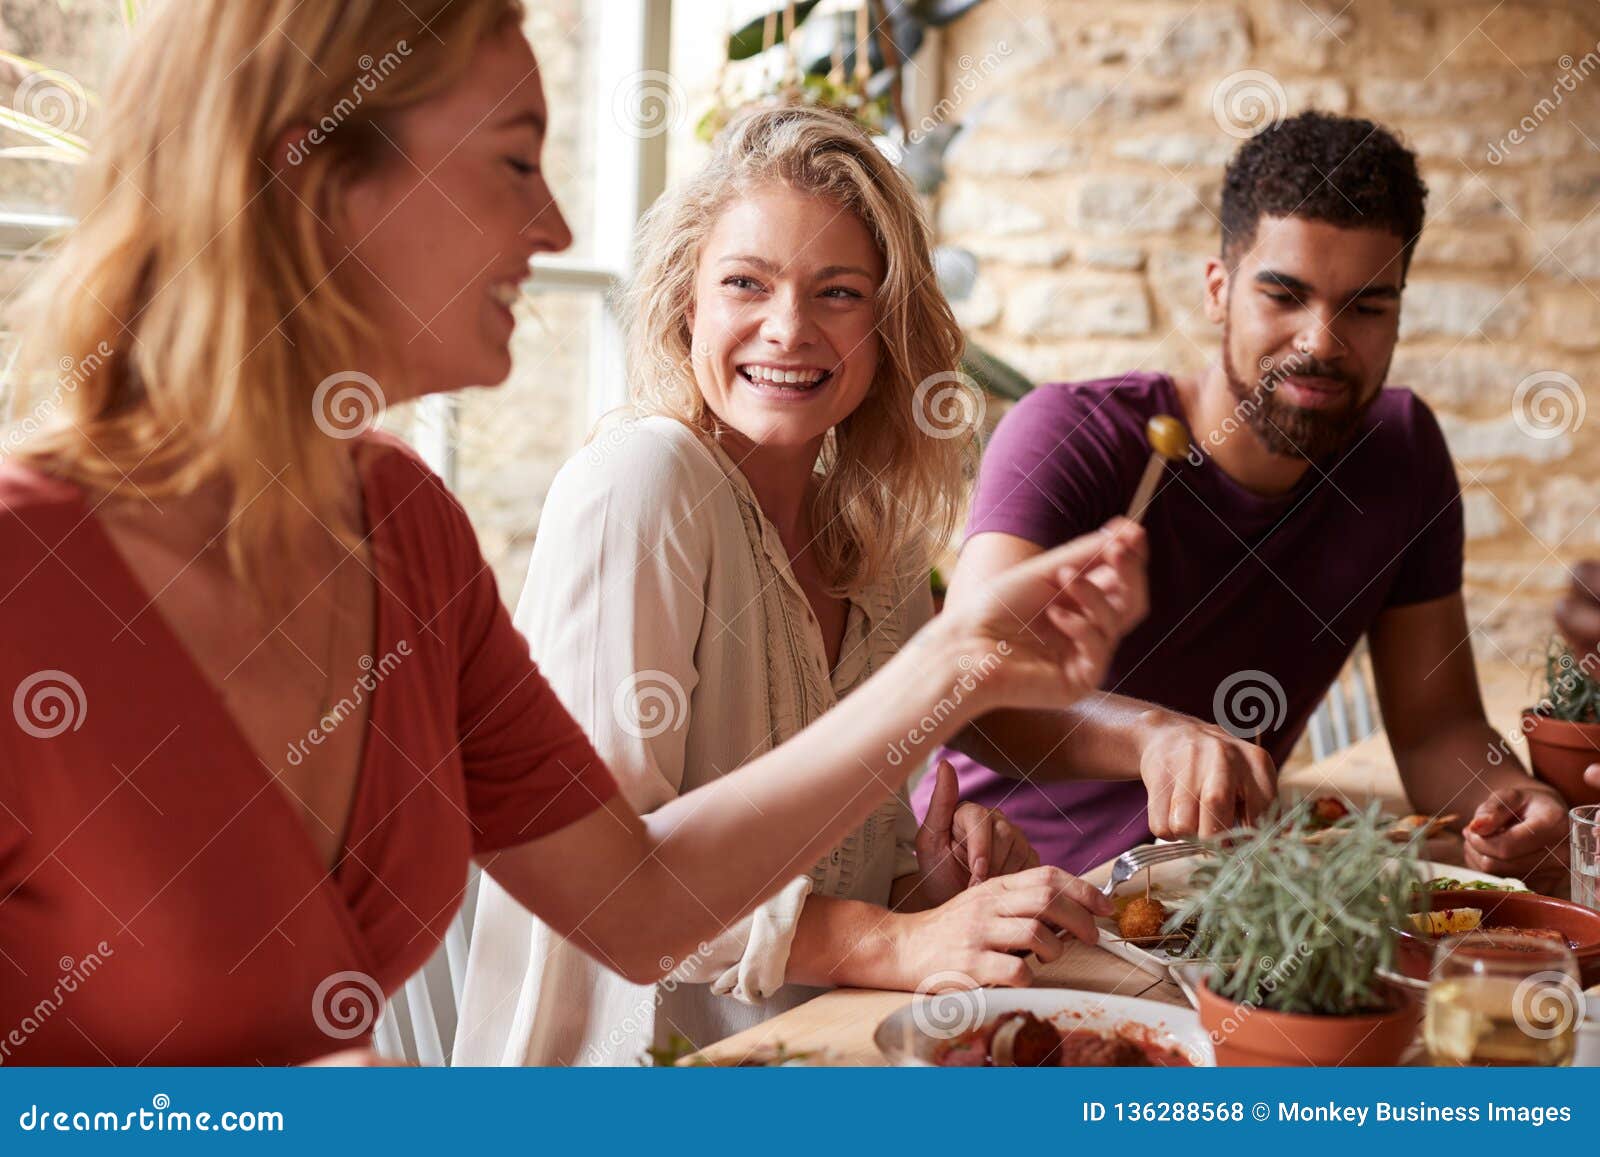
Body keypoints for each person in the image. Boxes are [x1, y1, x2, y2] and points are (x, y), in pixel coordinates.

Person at [0, 0, 1145, 1065]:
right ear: (315, 176)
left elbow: (636, 899)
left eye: (840, 293)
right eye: (513, 161)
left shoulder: (408, 534)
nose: (552, 223)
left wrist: (960, 669)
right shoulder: (27, 570)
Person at [452, 105, 1091, 1066]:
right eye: (745, 282)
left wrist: (926, 888)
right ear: (685, 305)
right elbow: (603, 882)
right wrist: (899, 939)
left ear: (886, 334)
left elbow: (822, 879)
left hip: (826, 1052)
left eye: (838, 293)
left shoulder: (880, 554)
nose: (788, 329)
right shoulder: (642, 483)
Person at [916, 110, 1568, 892]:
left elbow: (1438, 730)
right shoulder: (1068, 433)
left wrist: (1511, 797)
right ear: (1218, 290)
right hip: (998, 893)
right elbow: (971, 681)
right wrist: (1152, 735)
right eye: (1285, 295)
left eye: (1366, 306)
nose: (1322, 340)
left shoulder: (1403, 453)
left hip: (1211, 910)